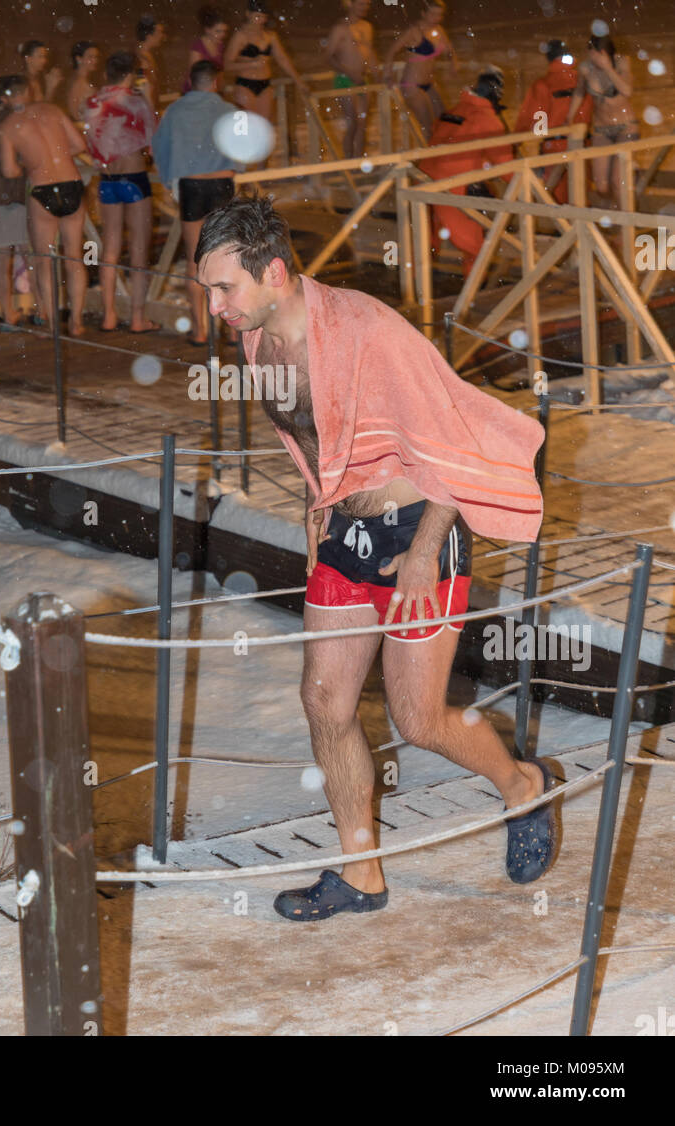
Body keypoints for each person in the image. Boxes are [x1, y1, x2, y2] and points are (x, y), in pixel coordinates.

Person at [196, 198, 554, 920]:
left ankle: (522, 786)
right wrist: (316, 506)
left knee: (417, 719)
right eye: (207, 289)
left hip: (419, 532)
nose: (214, 307)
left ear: (273, 272)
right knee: (325, 702)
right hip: (343, 536)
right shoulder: (258, 337)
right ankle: (359, 871)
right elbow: (311, 430)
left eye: (224, 288)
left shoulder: (369, 332)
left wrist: (426, 552)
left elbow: (452, 439)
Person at [152, 59, 241, 344]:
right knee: (227, 256)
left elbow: (159, 147)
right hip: (221, 183)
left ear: (191, 82)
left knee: (195, 259)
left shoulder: (175, 110)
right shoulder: (228, 110)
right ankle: (231, 327)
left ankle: (200, 329)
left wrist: (168, 178)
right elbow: (242, 148)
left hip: (191, 184)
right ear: (216, 81)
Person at [0, 76, 90, 335]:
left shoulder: (7, 126)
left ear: (6, 98)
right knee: (74, 258)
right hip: (71, 183)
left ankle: (52, 323)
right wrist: (57, 155)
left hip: (42, 189)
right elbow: (79, 145)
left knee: (44, 260)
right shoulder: (52, 110)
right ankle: (77, 321)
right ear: (27, 90)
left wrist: (28, 161)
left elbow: (9, 170)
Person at [83, 51, 160, 334]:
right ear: (130, 75)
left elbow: (93, 143)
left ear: (107, 74)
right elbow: (153, 138)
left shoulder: (91, 103)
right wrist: (149, 98)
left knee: (110, 249)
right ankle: (138, 319)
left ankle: (109, 315)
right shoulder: (135, 101)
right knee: (139, 250)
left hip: (107, 179)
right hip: (135, 178)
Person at [418, 69, 514, 277]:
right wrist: (528, 182)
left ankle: (416, 289)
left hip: (423, 180)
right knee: (474, 246)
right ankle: (472, 291)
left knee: (423, 242)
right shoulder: (488, 120)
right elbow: (505, 165)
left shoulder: (453, 111)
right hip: (452, 186)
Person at [516, 41, 592, 203]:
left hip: (555, 150)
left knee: (554, 198)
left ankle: (563, 227)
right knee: (579, 195)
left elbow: (537, 123)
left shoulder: (543, 85)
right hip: (583, 146)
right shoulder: (582, 80)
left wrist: (518, 138)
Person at [0, 75, 32, 326]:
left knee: (2, 257)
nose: (27, 100)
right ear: (5, 98)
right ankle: (41, 308)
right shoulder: (15, 121)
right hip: (16, 193)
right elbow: (16, 164)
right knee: (30, 254)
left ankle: (8, 312)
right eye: (22, 95)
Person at [568, 34, 639, 200]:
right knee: (601, 185)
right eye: (590, 54)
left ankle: (624, 220)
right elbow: (579, 91)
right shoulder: (586, 68)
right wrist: (570, 116)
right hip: (601, 128)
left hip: (626, 127)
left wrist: (608, 68)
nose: (592, 58)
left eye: (596, 54)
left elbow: (627, 91)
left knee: (618, 181)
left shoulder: (622, 62)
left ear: (606, 54)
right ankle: (614, 212)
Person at [382, 0, 458, 140]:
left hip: (429, 84)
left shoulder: (439, 30)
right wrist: (388, 75)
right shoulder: (414, 32)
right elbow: (391, 51)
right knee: (429, 127)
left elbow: (450, 49)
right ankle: (431, 159)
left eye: (439, 14)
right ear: (423, 13)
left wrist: (452, 63)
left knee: (445, 121)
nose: (437, 18)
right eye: (433, 14)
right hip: (412, 85)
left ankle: (439, 156)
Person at [224, 0, 308, 122]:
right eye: (257, 16)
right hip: (245, 85)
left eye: (263, 17)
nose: (260, 20)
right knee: (249, 127)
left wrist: (299, 81)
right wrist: (252, 64)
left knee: (264, 127)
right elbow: (227, 65)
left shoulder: (270, 36)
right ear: (248, 14)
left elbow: (283, 60)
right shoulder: (240, 36)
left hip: (265, 84)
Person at [325, 0, 382, 157]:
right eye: (360, 4)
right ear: (350, 3)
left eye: (367, 4)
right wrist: (349, 72)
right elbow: (328, 57)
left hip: (363, 80)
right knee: (353, 123)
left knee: (363, 123)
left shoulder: (367, 27)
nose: (364, 7)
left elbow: (369, 53)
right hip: (345, 79)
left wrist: (378, 75)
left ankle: (359, 162)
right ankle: (349, 163)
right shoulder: (340, 29)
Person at [181, 6, 228, 94]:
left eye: (224, 31)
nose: (222, 35)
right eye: (218, 31)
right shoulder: (198, 48)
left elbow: (220, 71)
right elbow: (193, 78)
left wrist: (221, 89)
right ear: (207, 30)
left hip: (211, 90)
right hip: (194, 93)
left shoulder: (220, 45)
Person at [135, 15, 167, 115]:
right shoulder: (142, 60)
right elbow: (139, 90)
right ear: (148, 36)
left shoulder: (146, 55)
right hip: (145, 111)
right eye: (159, 32)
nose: (163, 36)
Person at [66, 40, 100, 122]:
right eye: (90, 57)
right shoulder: (77, 82)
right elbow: (74, 112)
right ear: (79, 59)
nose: (95, 61)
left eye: (96, 57)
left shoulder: (85, 80)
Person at [19, 40, 62, 105]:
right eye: (40, 56)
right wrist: (50, 88)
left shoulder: (39, 79)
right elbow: (37, 111)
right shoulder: (21, 82)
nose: (44, 60)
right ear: (28, 58)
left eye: (44, 57)